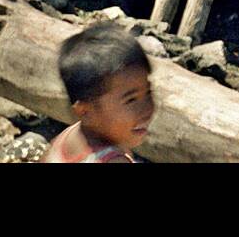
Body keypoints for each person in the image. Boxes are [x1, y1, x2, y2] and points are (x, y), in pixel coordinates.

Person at [42, 23, 155, 164]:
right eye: (131, 100)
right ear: (85, 111)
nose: (147, 109)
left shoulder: (67, 137)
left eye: (148, 92)